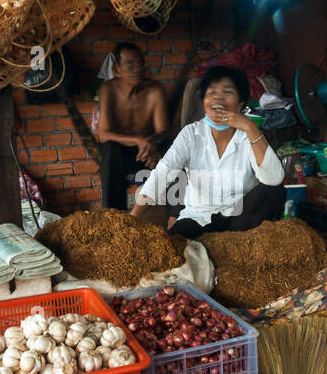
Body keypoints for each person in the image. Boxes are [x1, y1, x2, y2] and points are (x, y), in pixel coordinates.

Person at [131, 66, 284, 238]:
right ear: (203, 102)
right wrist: (132, 218)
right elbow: (162, 173)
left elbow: (274, 179)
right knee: (175, 245)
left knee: (274, 191)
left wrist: (250, 127)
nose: (217, 98)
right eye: (211, 93)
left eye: (227, 92)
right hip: (198, 218)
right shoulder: (191, 133)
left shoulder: (247, 135)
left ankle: (242, 247)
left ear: (240, 103)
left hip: (238, 220)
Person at [95, 42, 168, 209]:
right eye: (130, 64)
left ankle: (176, 217)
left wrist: (149, 143)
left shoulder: (155, 90)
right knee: (110, 149)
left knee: (174, 149)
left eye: (140, 63)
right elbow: (104, 134)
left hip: (149, 153)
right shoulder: (108, 89)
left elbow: (163, 131)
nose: (138, 68)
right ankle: (115, 216)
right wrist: (138, 140)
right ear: (117, 70)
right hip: (120, 157)